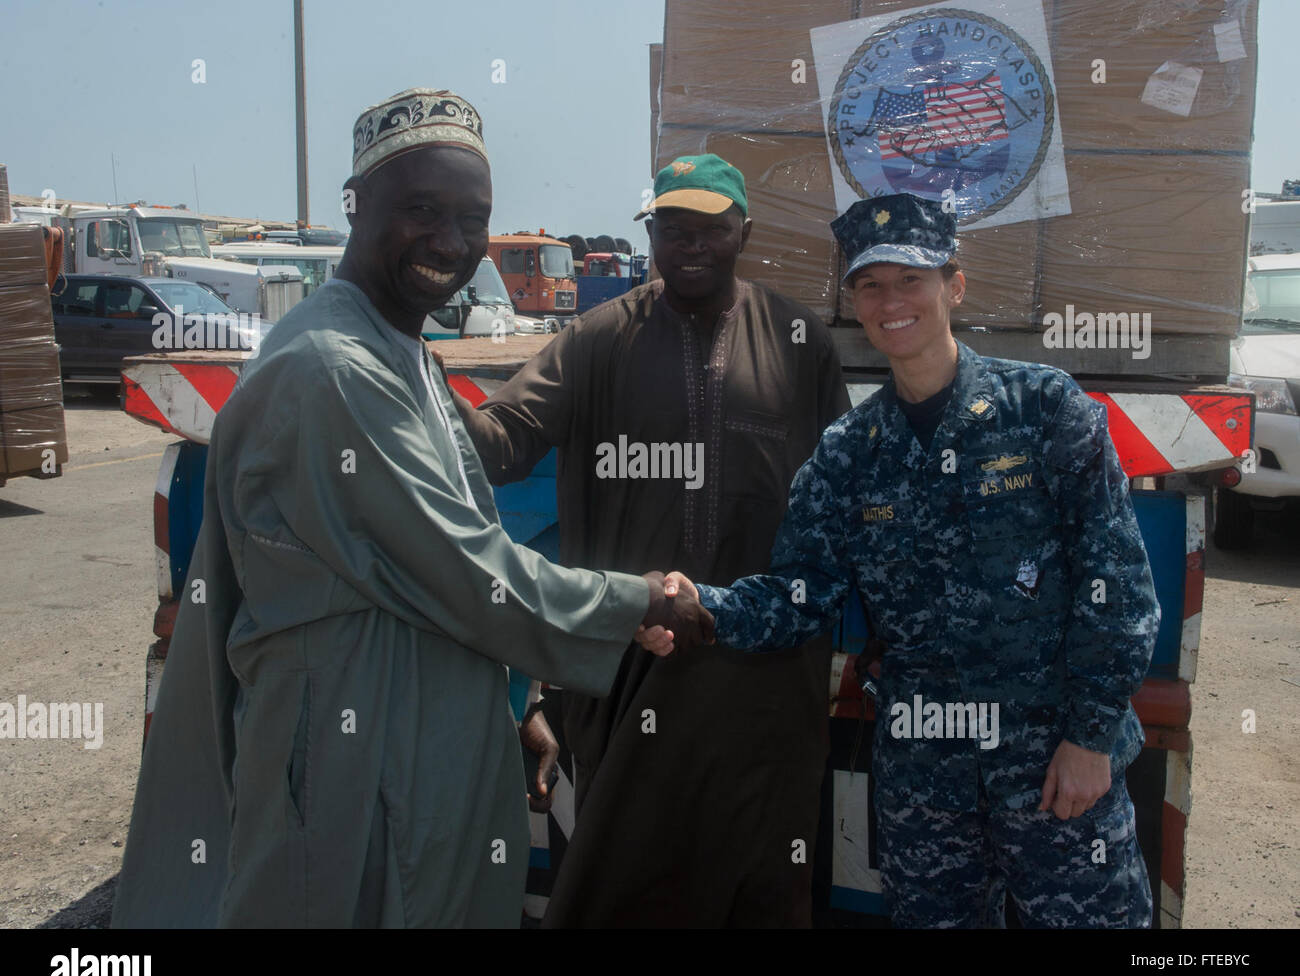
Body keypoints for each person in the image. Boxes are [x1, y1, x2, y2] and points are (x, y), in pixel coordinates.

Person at [110, 88, 712, 930]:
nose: (452, 240)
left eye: (473, 217)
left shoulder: (401, 348)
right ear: (356, 207)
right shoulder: (333, 369)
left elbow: (441, 557)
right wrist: (639, 600)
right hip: (351, 764)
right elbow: (464, 570)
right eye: (421, 210)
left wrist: (515, 704)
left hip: (417, 745)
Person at [648, 193, 1159, 928]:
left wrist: (1091, 737)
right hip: (928, 780)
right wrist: (700, 603)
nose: (891, 302)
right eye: (870, 285)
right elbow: (802, 594)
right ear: (854, 303)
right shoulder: (849, 453)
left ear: (953, 285)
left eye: (910, 280)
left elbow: (1117, 585)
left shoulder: (1044, 410)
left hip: (1053, 763)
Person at [448, 154, 850, 926]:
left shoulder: (800, 343)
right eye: (672, 228)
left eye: (711, 228)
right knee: (627, 891)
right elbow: (500, 445)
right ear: (651, 233)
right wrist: (407, 372)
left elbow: (837, 509)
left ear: (745, 232)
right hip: (636, 668)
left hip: (764, 681)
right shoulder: (599, 339)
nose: (690, 245)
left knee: (763, 891)